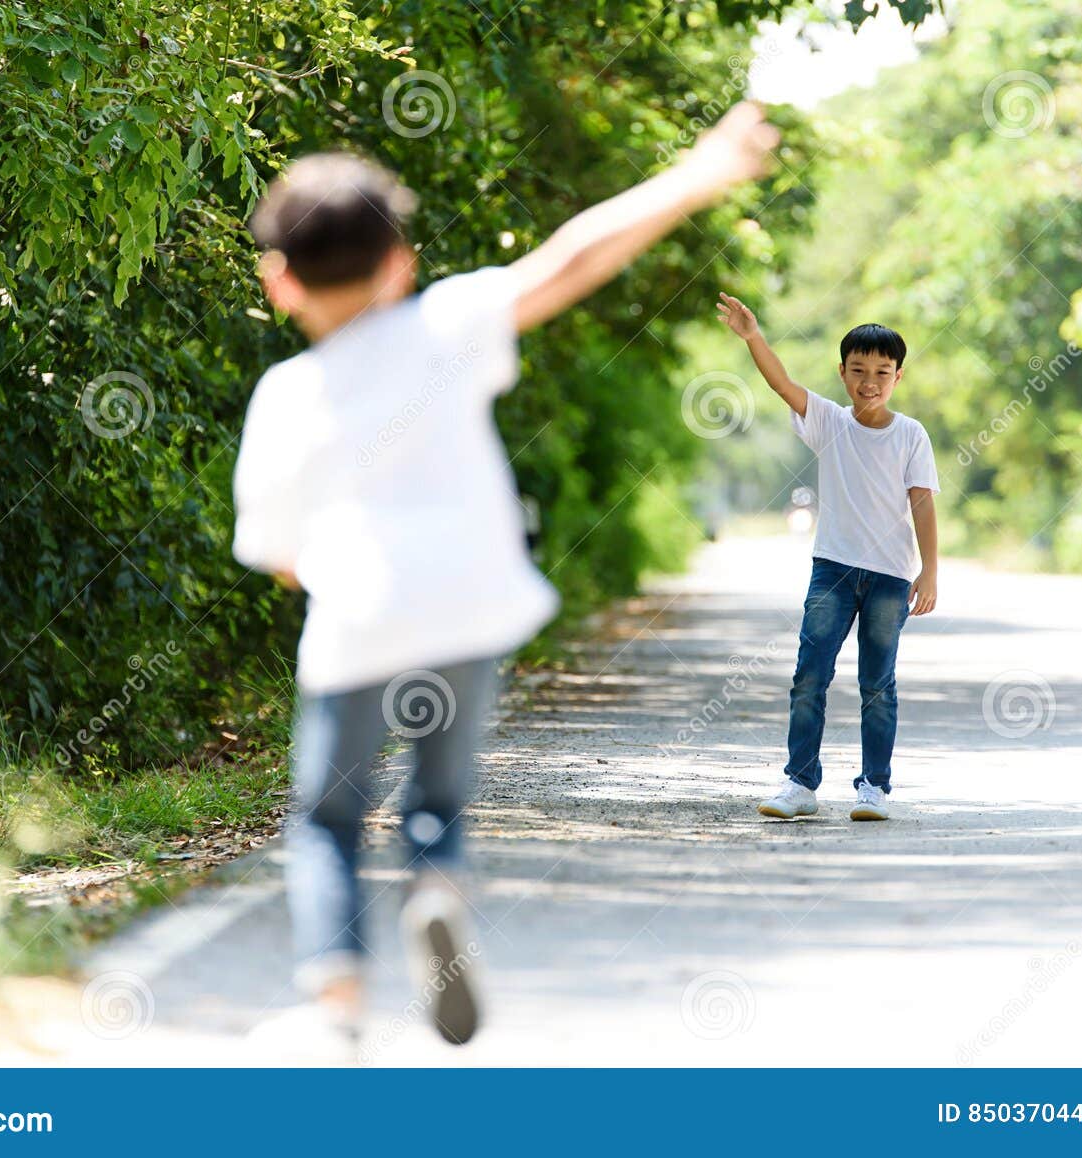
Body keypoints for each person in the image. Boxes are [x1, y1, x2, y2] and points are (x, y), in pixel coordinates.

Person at [232, 105, 779, 1051]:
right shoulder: (445, 324)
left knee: (327, 822)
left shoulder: (284, 399)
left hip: (360, 619)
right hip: (470, 606)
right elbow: (570, 259)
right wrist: (699, 173)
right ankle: (437, 894)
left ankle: (334, 1012)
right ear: (401, 260)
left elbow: (279, 555)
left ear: (279, 282)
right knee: (437, 808)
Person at [715, 295, 939, 822]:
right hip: (832, 569)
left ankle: (874, 788)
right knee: (809, 675)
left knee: (877, 684)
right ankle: (799, 784)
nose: (870, 381)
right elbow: (782, 385)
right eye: (859, 370)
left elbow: (923, 503)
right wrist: (753, 337)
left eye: (882, 372)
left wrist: (930, 569)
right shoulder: (829, 421)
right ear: (842, 373)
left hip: (889, 576)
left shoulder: (911, 434)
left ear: (898, 377)